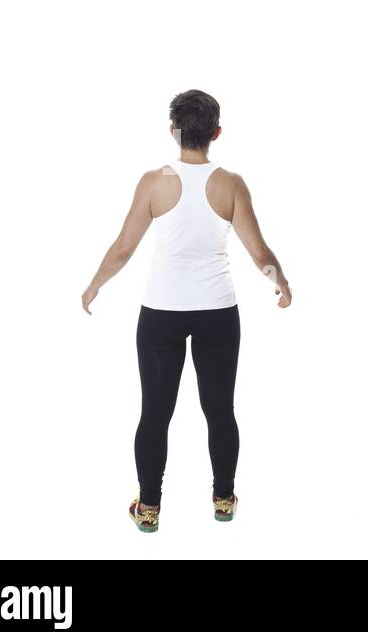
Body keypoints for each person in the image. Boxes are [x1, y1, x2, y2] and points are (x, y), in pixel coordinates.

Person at [81, 89, 292, 533]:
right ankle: (223, 497)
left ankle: (150, 506)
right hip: (217, 313)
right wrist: (280, 281)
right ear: (216, 132)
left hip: (162, 313)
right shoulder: (231, 183)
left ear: (173, 130)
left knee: (155, 412)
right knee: (220, 410)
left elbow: (123, 249)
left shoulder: (155, 181)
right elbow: (259, 252)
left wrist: (95, 285)